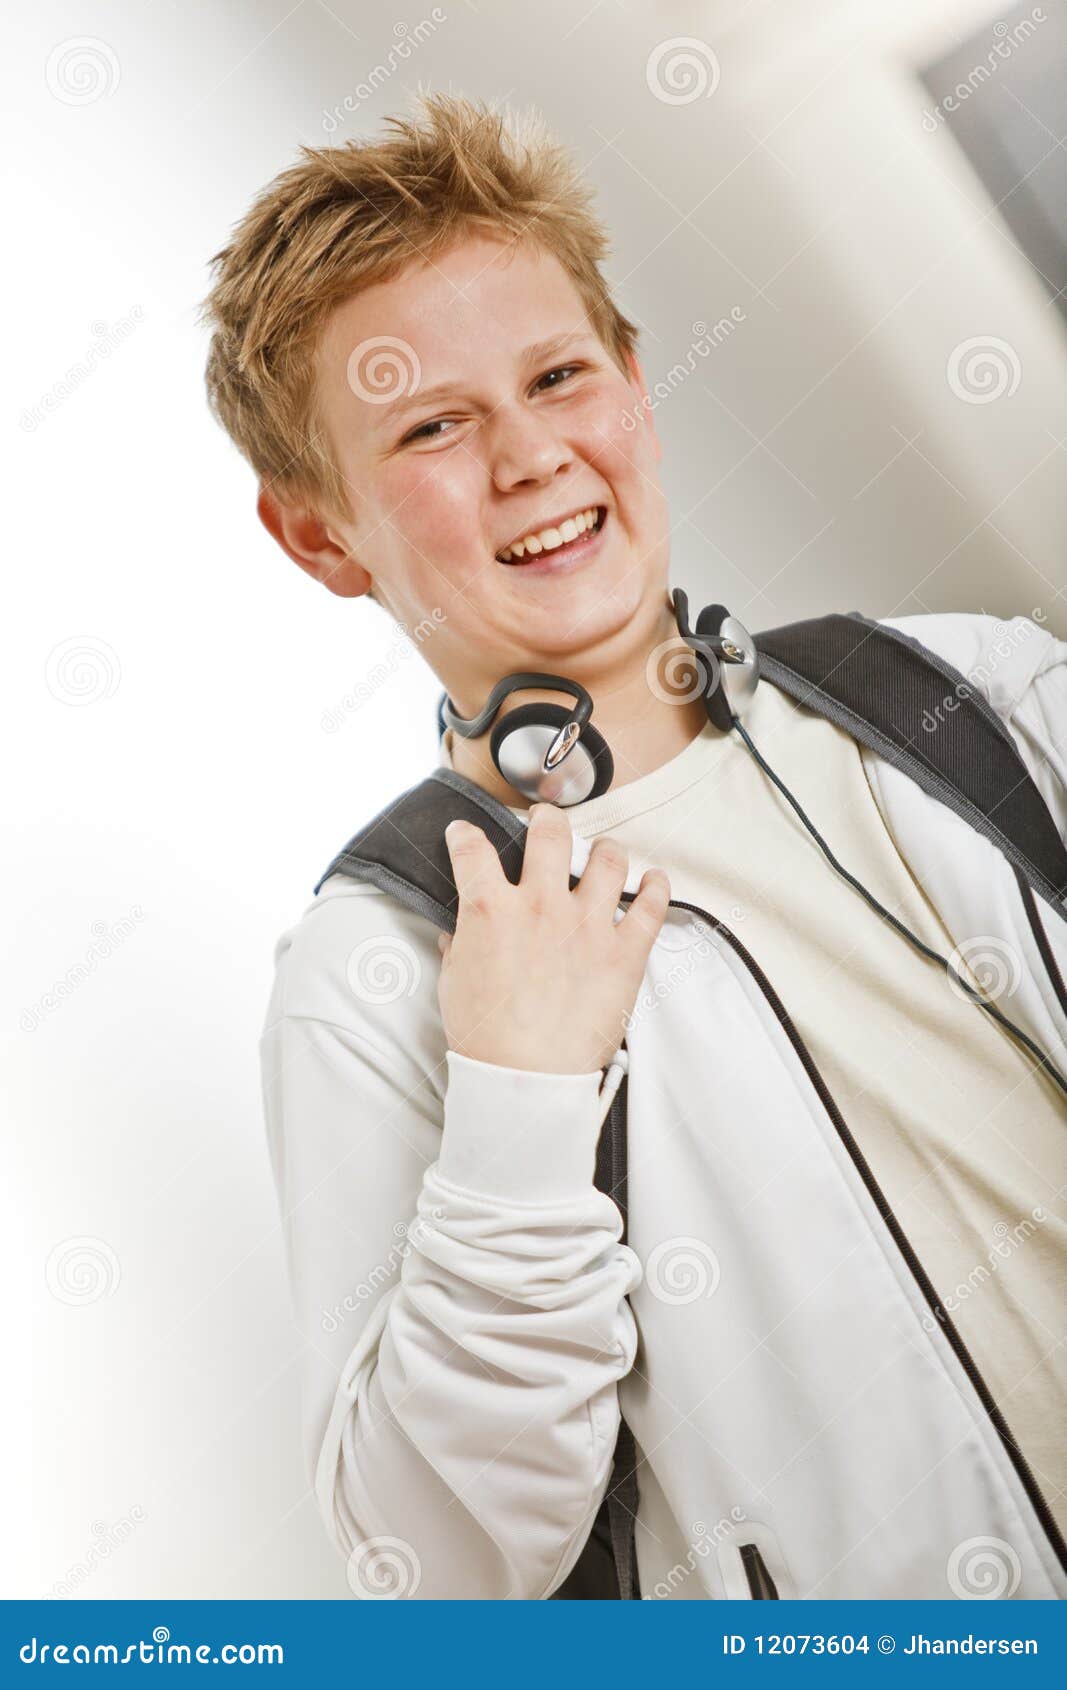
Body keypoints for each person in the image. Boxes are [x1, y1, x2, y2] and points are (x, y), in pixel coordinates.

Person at [200, 93, 1067, 1600]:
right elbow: (442, 1569)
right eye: (430, 425)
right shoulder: (383, 961)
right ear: (320, 535)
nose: (531, 455)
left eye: (557, 376)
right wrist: (517, 1114)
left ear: (638, 387)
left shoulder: (980, 691)